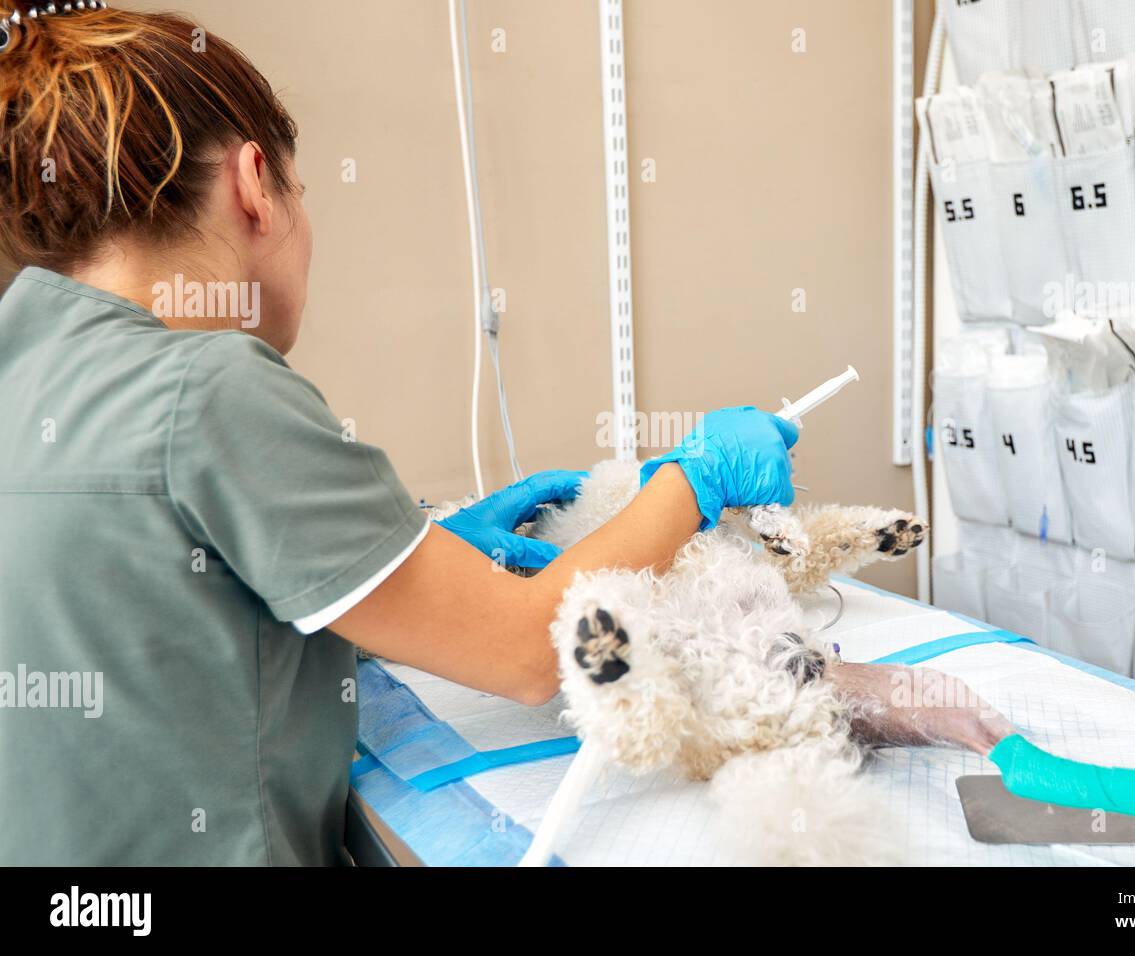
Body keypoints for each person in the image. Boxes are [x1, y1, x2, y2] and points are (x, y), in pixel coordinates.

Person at [0, 6, 869, 865]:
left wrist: (405, 559)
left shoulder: (26, 368)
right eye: (301, 192)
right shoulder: (210, 388)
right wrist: (696, 476)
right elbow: (533, 652)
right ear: (256, 183)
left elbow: (160, 606)